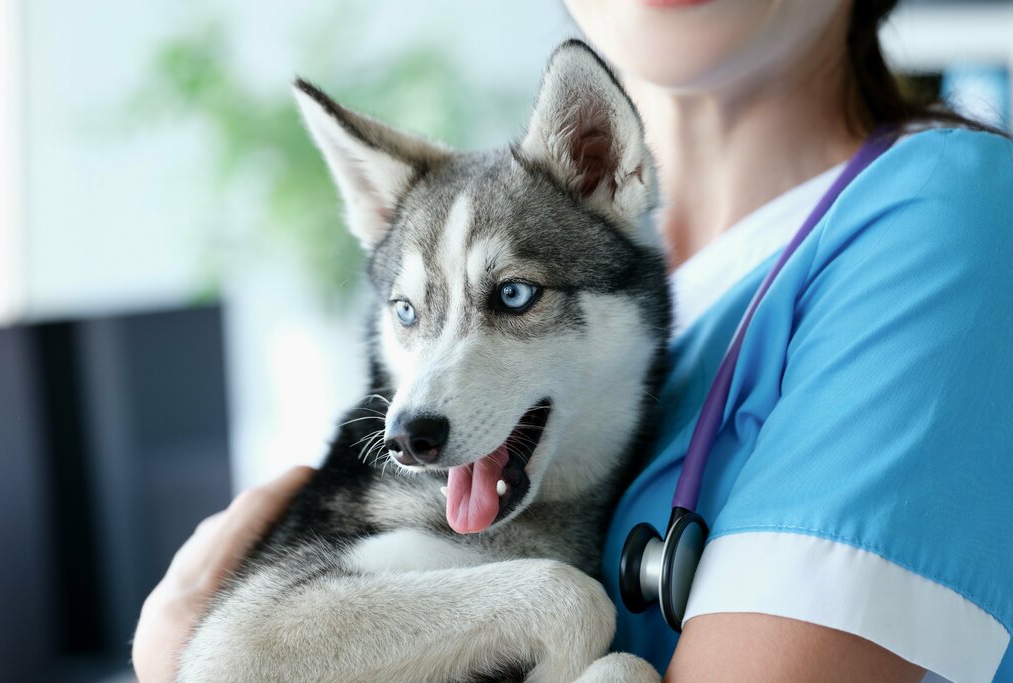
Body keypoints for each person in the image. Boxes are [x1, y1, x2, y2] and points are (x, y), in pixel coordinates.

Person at [134, 1, 1013, 680]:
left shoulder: (942, 217)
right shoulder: (623, 269)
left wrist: (181, 648)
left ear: (602, 161)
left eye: (514, 298)